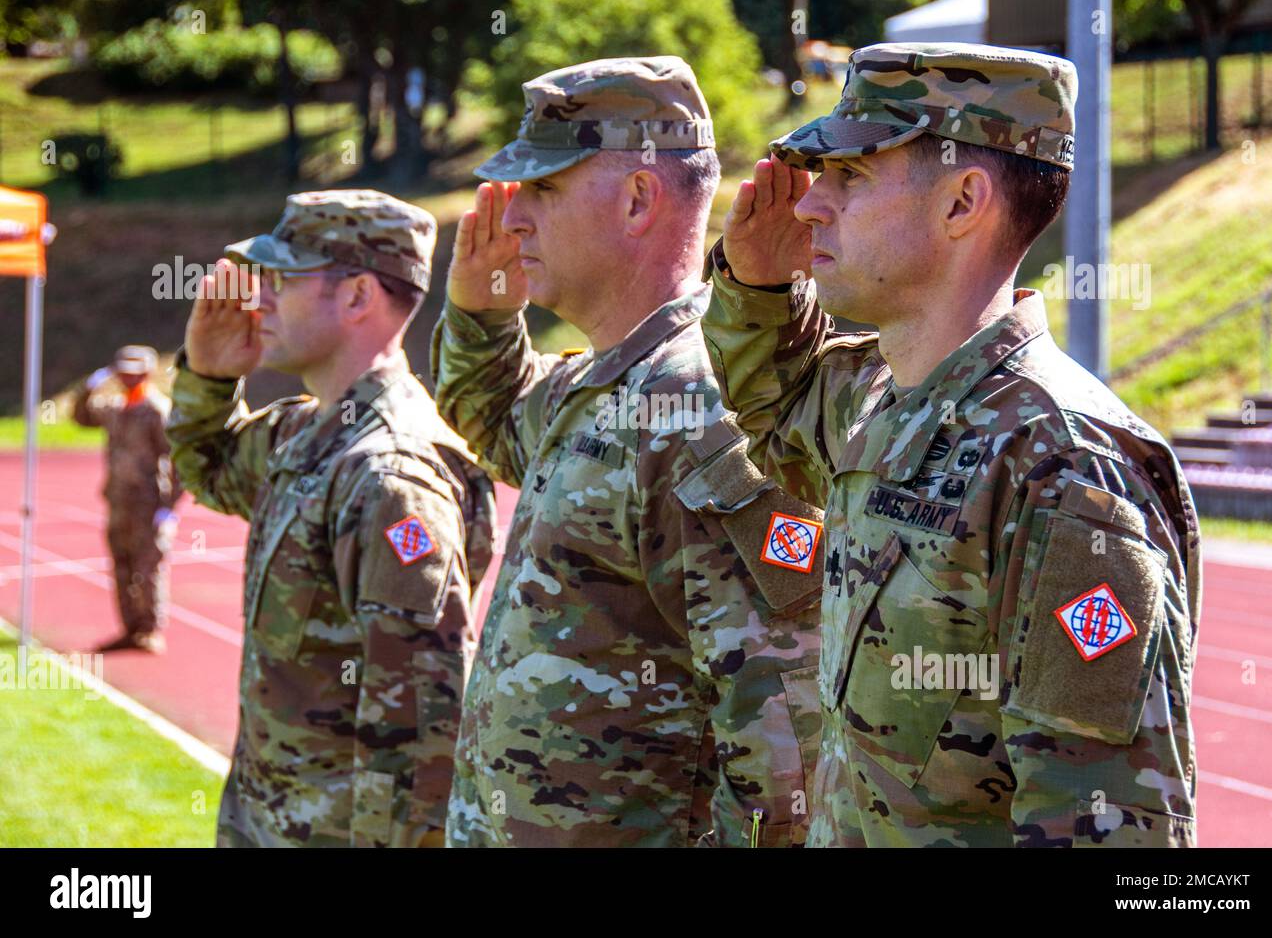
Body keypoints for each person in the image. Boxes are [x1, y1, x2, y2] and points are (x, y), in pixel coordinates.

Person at [702, 42, 1200, 847]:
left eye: (851, 175)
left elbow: (1104, 828)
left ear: (963, 201)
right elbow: (775, 404)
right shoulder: (887, 397)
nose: (808, 206)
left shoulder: (1065, 468)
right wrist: (755, 286)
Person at [431, 56, 824, 847]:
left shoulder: (701, 408)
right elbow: (500, 418)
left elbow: (783, 764)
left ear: (639, 197)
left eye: (541, 190)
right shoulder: (613, 378)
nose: (512, 221)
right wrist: (480, 316)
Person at [167, 189, 496, 847]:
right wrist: (207, 375)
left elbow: (420, 742)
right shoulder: (309, 430)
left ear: (356, 297)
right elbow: (209, 467)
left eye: (281, 280)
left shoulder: (390, 475)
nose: (257, 299)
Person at [73, 345, 181, 654]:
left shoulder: (157, 410)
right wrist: (89, 386)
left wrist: (168, 507)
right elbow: (81, 417)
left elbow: (178, 461)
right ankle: (130, 628)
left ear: (146, 374)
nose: (128, 378)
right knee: (122, 567)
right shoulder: (115, 408)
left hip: (148, 505)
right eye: (123, 373)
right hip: (119, 502)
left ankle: (149, 629)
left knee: (149, 569)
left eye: (134, 373)